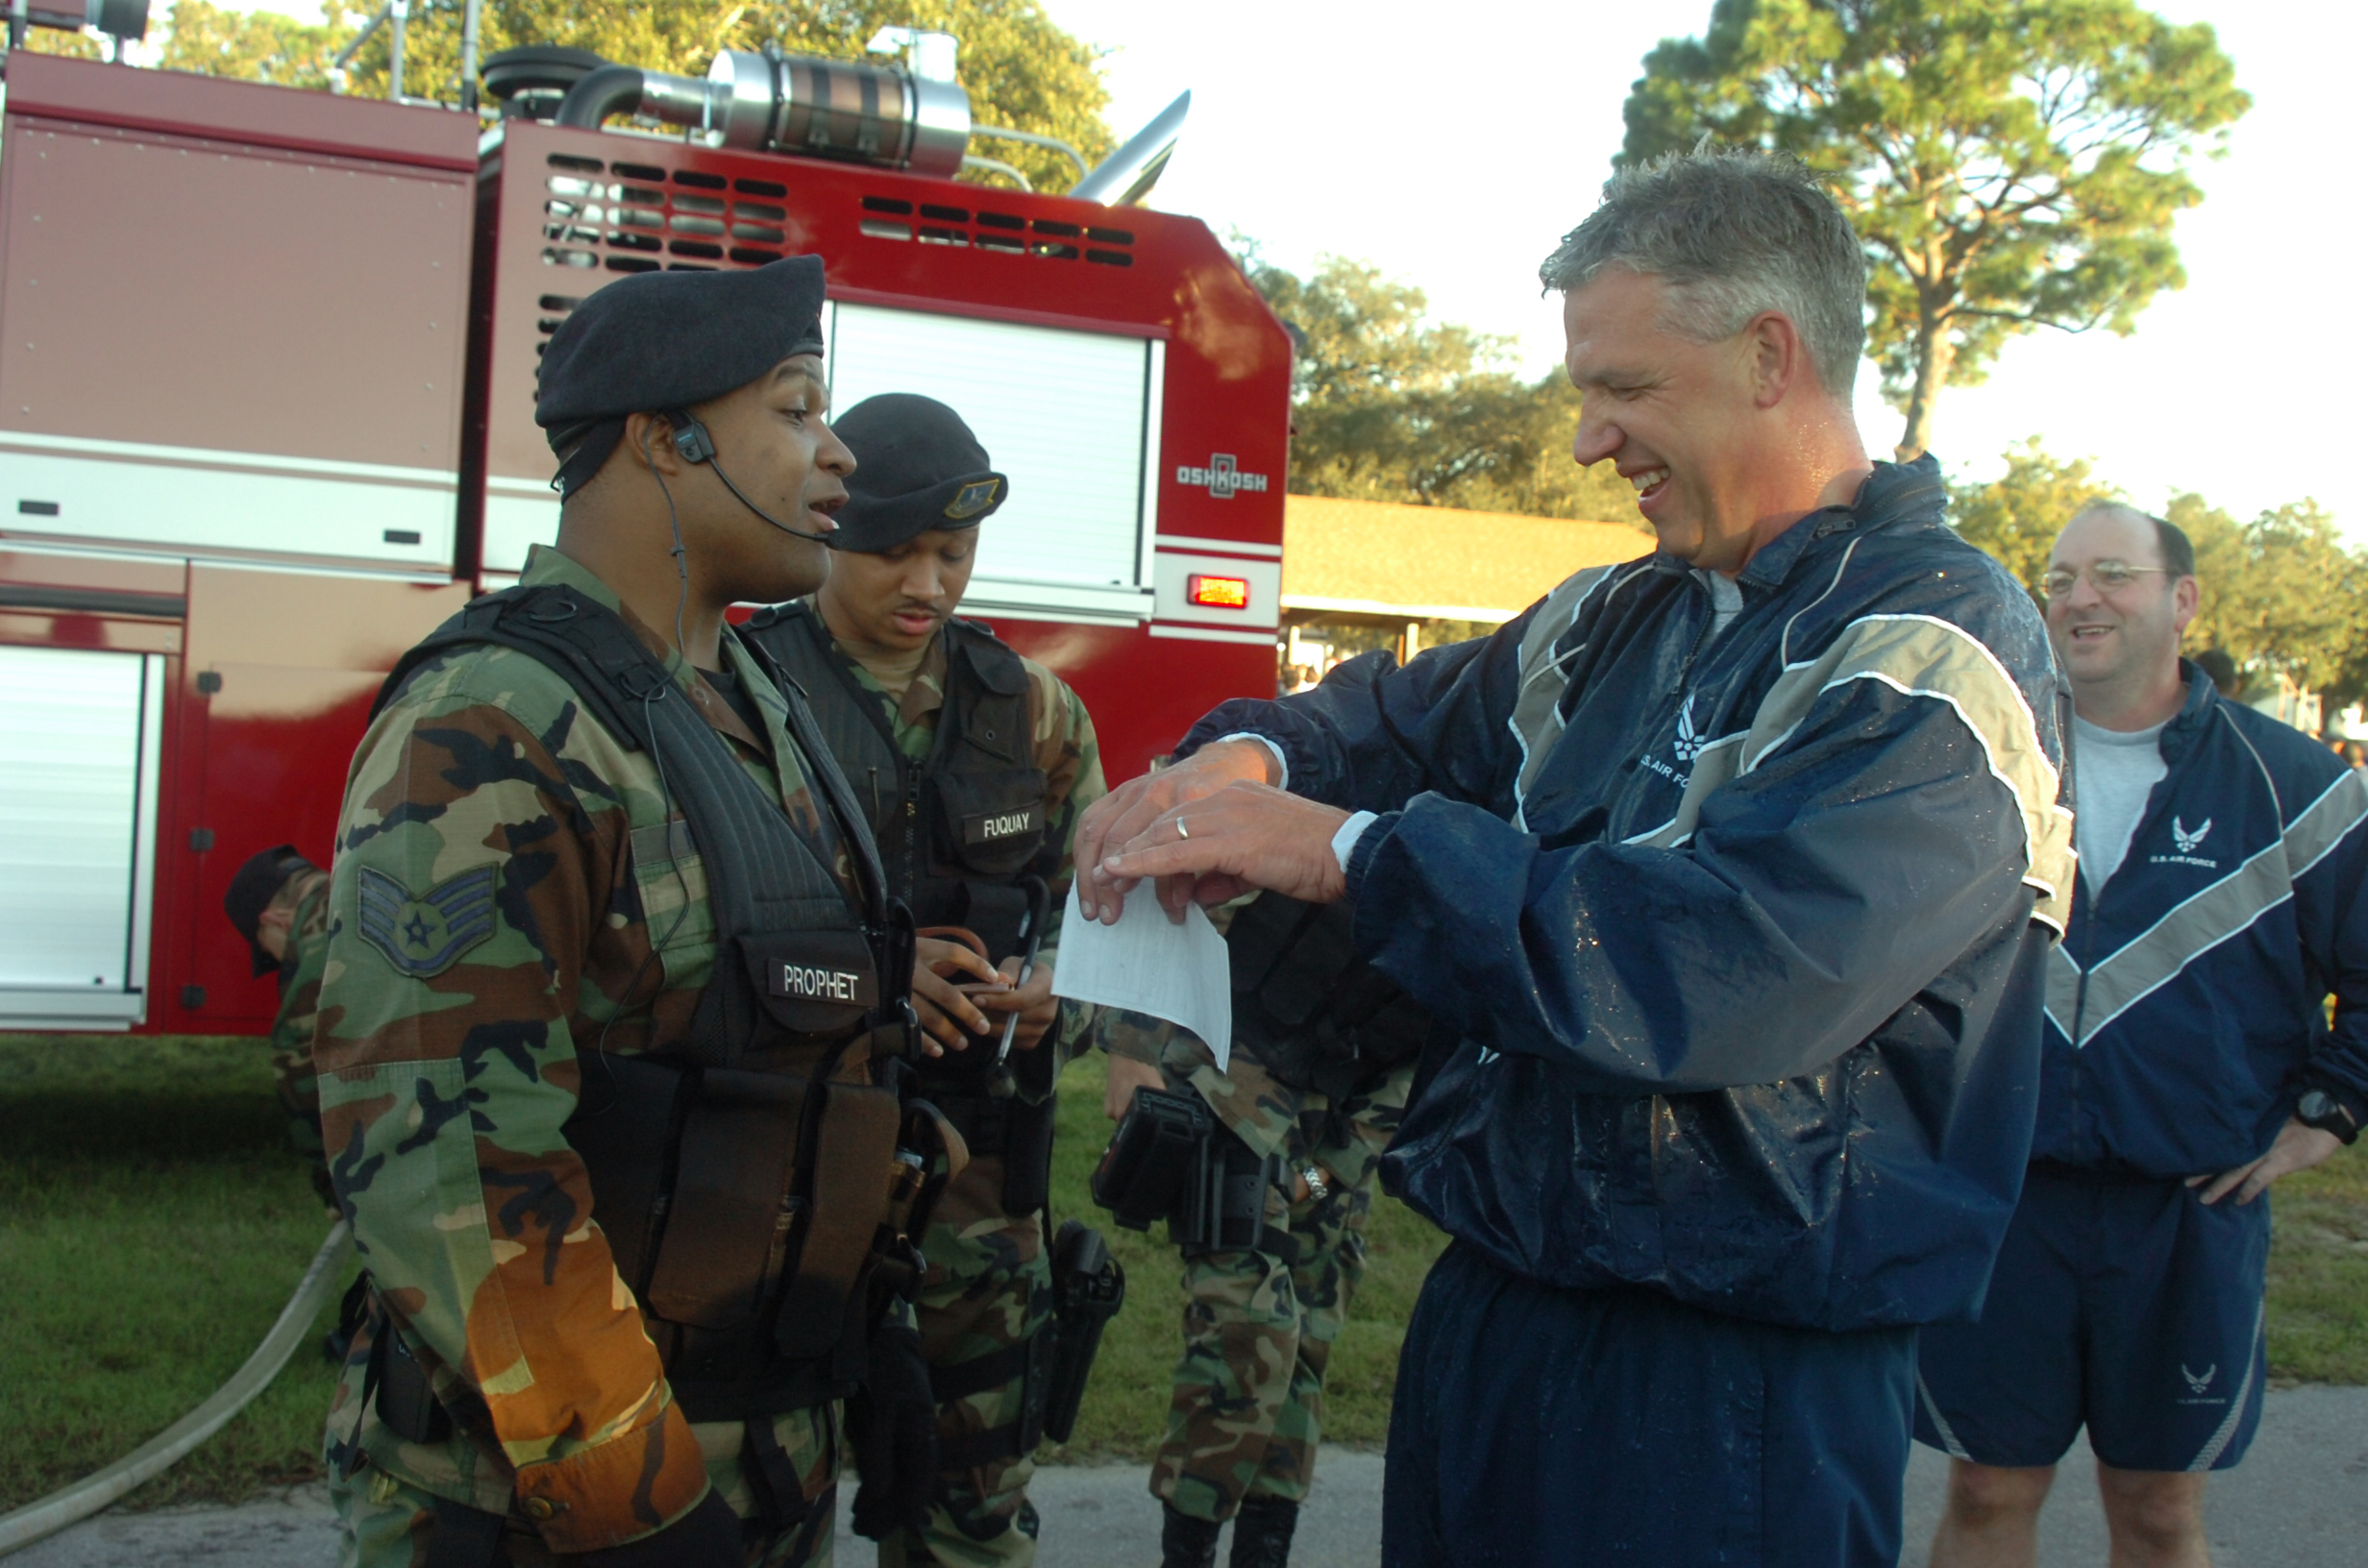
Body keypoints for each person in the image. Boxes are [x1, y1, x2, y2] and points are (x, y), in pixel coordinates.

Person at [1072, 148, 2074, 1567]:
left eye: (1626, 389)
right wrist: (1257, 758)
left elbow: (1722, 970)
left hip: (1731, 1379)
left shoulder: (1933, 655)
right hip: (1502, 1309)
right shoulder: (1621, 616)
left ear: (1771, 356)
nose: (1592, 440)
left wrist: (1347, 853)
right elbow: (1398, 717)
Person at [314, 257, 978, 1568]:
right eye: (796, 410)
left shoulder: (751, 702)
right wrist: (640, 1504)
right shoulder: (498, 715)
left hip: (765, 1458)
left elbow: (795, 1069)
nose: (839, 457)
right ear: (663, 438)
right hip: (550, 1508)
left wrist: (870, 1347)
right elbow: (451, 1164)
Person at [1917, 505, 2368, 1568]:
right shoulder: (1972, 764)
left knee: (2159, 1511)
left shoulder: (2294, 786)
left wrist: (2331, 1112)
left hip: (2187, 1214)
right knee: (1985, 1490)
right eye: (2059, 576)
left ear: (2182, 600)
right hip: (2004, 1196)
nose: (2078, 598)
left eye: (2111, 574)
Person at [739, 392, 1107, 1567]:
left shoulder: (1035, 713)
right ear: (830, 528)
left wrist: (1061, 984)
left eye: (954, 554)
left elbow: (1101, 915)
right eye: (896, 549)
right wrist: (871, 986)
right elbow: (685, 946)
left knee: (972, 1518)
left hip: (977, 1193)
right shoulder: (735, 696)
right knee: (758, 1511)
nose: (930, 583)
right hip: (779, 1184)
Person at [1098, 887, 1422, 1568]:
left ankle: (1262, 1551)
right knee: (1251, 1335)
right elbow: (1179, 882)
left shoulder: (1489, 803)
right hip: (1231, 1081)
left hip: (1347, 1112)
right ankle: (1186, 1549)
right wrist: (1131, 1046)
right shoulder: (1302, 776)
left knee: (1305, 1353)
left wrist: (1334, 1168)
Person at [222, 843, 335, 1208]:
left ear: (274, 920)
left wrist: (335, 1190)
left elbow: (298, 1059)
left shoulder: (316, 934)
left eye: (268, 950)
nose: (278, 958)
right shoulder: (364, 883)